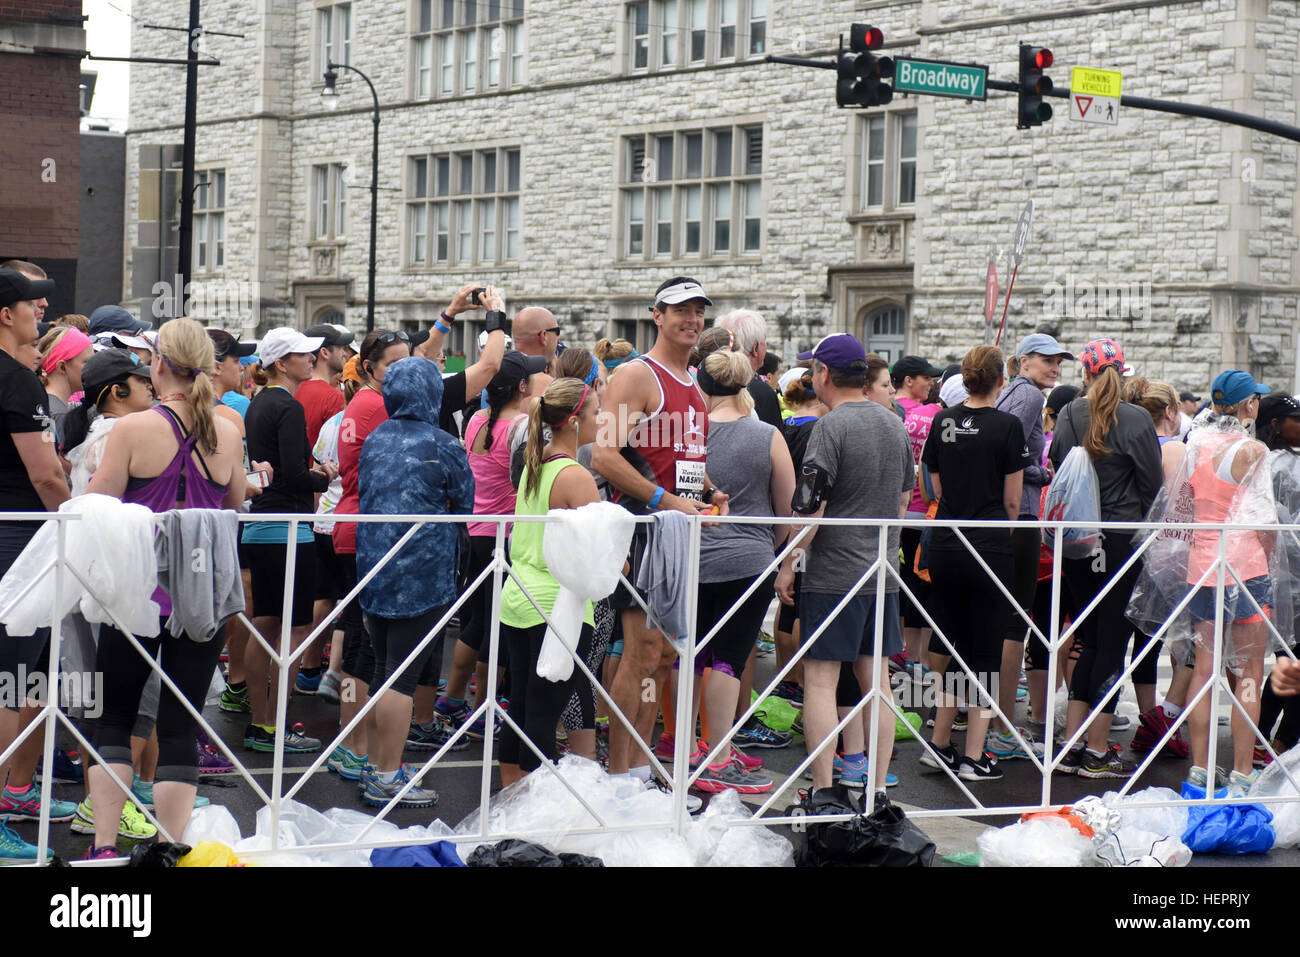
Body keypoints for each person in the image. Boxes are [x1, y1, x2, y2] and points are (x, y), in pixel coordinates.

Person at [82, 317, 247, 858]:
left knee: (115, 715)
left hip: (137, 591)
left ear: (157, 365)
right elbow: (234, 506)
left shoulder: (132, 430)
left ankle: (106, 845)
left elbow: (100, 507)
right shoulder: (228, 430)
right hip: (200, 595)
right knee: (180, 725)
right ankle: (170, 846)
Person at [591, 276, 729, 783]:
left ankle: (639, 768)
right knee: (643, 652)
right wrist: (666, 500)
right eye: (680, 311)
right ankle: (619, 769)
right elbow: (604, 455)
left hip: (680, 530)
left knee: (667, 655)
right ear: (656, 316)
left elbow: (683, 454)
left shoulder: (694, 382)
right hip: (643, 529)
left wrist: (711, 490)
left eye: (698, 311)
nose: (691, 320)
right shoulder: (636, 375)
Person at [775, 333, 913, 794]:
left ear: (824, 375)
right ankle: (874, 790)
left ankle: (823, 788)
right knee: (878, 684)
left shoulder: (829, 427)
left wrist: (789, 563)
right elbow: (904, 497)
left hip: (834, 575)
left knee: (819, 681)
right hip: (881, 572)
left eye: (814, 368)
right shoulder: (895, 422)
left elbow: (811, 507)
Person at [355, 358, 474, 808]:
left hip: (373, 568)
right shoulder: (442, 443)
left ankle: (374, 764)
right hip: (422, 571)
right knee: (400, 679)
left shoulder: (374, 439)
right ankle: (389, 774)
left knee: (383, 671)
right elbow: (467, 504)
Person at [1048, 337, 1162, 779]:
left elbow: (1057, 461)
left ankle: (1073, 745)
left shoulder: (1072, 412)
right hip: (1119, 539)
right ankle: (1097, 749)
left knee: (1088, 641)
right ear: (1122, 372)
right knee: (1112, 644)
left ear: (1087, 374)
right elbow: (1153, 486)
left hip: (1078, 538)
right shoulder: (1134, 418)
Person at [919, 345, 1030, 782]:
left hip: (946, 541)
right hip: (987, 544)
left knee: (951, 644)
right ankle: (973, 756)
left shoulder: (943, 419)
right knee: (984, 649)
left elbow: (932, 485)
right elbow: (1012, 499)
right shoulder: (1007, 425)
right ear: (1001, 379)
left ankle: (941, 743)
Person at [690, 349, 794, 793]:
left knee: (691, 654)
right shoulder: (767, 434)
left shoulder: (687, 432)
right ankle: (717, 754)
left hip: (691, 554)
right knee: (729, 658)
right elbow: (787, 507)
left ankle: (686, 745)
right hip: (748, 557)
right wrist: (770, 551)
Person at [0, 268, 72, 863]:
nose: (43, 307)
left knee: (24, 678)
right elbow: (45, 474)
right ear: (7, 313)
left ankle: (16, 793)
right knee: (8, 683)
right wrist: (80, 523)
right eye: (33, 301)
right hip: (21, 541)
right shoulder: (19, 382)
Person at [435, 351, 544, 739]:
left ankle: (452, 697)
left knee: (478, 620)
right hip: (503, 534)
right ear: (521, 387)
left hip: (474, 529)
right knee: (495, 624)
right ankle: (483, 707)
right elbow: (526, 480)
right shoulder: (521, 426)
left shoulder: (477, 420)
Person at [498, 377, 602, 784]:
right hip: (557, 608)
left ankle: (511, 798)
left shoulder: (535, 465)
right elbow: (600, 553)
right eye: (595, 412)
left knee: (522, 706)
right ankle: (532, 811)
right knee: (542, 713)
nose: (601, 419)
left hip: (521, 597)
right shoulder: (576, 475)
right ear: (574, 421)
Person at [1179, 370, 1276, 794]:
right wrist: (1270, 558)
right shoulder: (1254, 450)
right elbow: (1265, 521)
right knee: (1251, 669)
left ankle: (1200, 767)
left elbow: (1182, 502)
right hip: (1247, 567)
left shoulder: (1195, 445)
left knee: (1204, 669)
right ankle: (1241, 769)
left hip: (1203, 565)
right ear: (1248, 405)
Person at [240, 326, 335, 753]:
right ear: (281, 363)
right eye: (303, 354)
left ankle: (262, 723)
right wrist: (324, 475)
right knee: (293, 632)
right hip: (290, 530)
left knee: (265, 625)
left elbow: (272, 468)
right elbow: (296, 475)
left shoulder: (259, 403)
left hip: (261, 525)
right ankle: (275, 725)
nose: (312, 358)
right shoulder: (288, 406)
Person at [985, 333, 1072, 760]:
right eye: (1047, 360)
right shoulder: (1028, 398)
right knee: (1012, 627)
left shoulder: (1013, 392)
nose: (1055, 368)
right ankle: (1001, 727)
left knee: (994, 625)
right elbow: (1008, 453)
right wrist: (1042, 474)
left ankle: (978, 724)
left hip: (1000, 518)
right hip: (1016, 518)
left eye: (1060, 361)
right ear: (1023, 361)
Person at [1123, 377, 1194, 759]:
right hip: (1173, 554)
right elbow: (1183, 509)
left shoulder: (1136, 444)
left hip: (1137, 551)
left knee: (1145, 637)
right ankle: (1164, 718)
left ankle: (1152, 715)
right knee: (1193, 639)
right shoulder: (1176, 452)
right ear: (1170, 411)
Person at [891, 355, 944, 674]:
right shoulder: (934, 414)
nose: (931, 383)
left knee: (901, 583)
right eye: (926, 378)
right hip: (925, 512)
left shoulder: (888, 411)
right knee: (924, 584)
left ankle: (900, 652)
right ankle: (919, 658)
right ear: (909, 380)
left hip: (896, 513)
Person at [416, 284, 508, 438]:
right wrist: (496, 315)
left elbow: (427, 352)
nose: (426, 353)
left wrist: (450, 313)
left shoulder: (391, 394)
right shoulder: (432, 395)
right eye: (420, 350)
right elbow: (489, 366)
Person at [62, 349, 156, 494]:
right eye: (141, 380)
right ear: (118, 391)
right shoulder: (111, 435)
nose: (149, 386)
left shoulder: (102, 427)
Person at [715, 308, 782, 429]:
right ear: (755, 348)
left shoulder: (707, 382)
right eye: (764, 341)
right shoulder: (764, 393)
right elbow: (774, 443)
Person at [297, 323, 353, 447]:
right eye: (340, 348)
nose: (345, 354)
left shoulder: (294, 389)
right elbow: (341, 447)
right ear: (325, 353)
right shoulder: (333, 397)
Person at [36, 325, 94, 443]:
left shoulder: (45, 401)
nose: (93, 368)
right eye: (87, 362)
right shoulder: (58, 414)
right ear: (62, 367)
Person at [511, 305, 561, 375]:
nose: (558, 337)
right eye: (557, 331)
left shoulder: (503, 369)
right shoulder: (539, 382)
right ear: (544, 336)